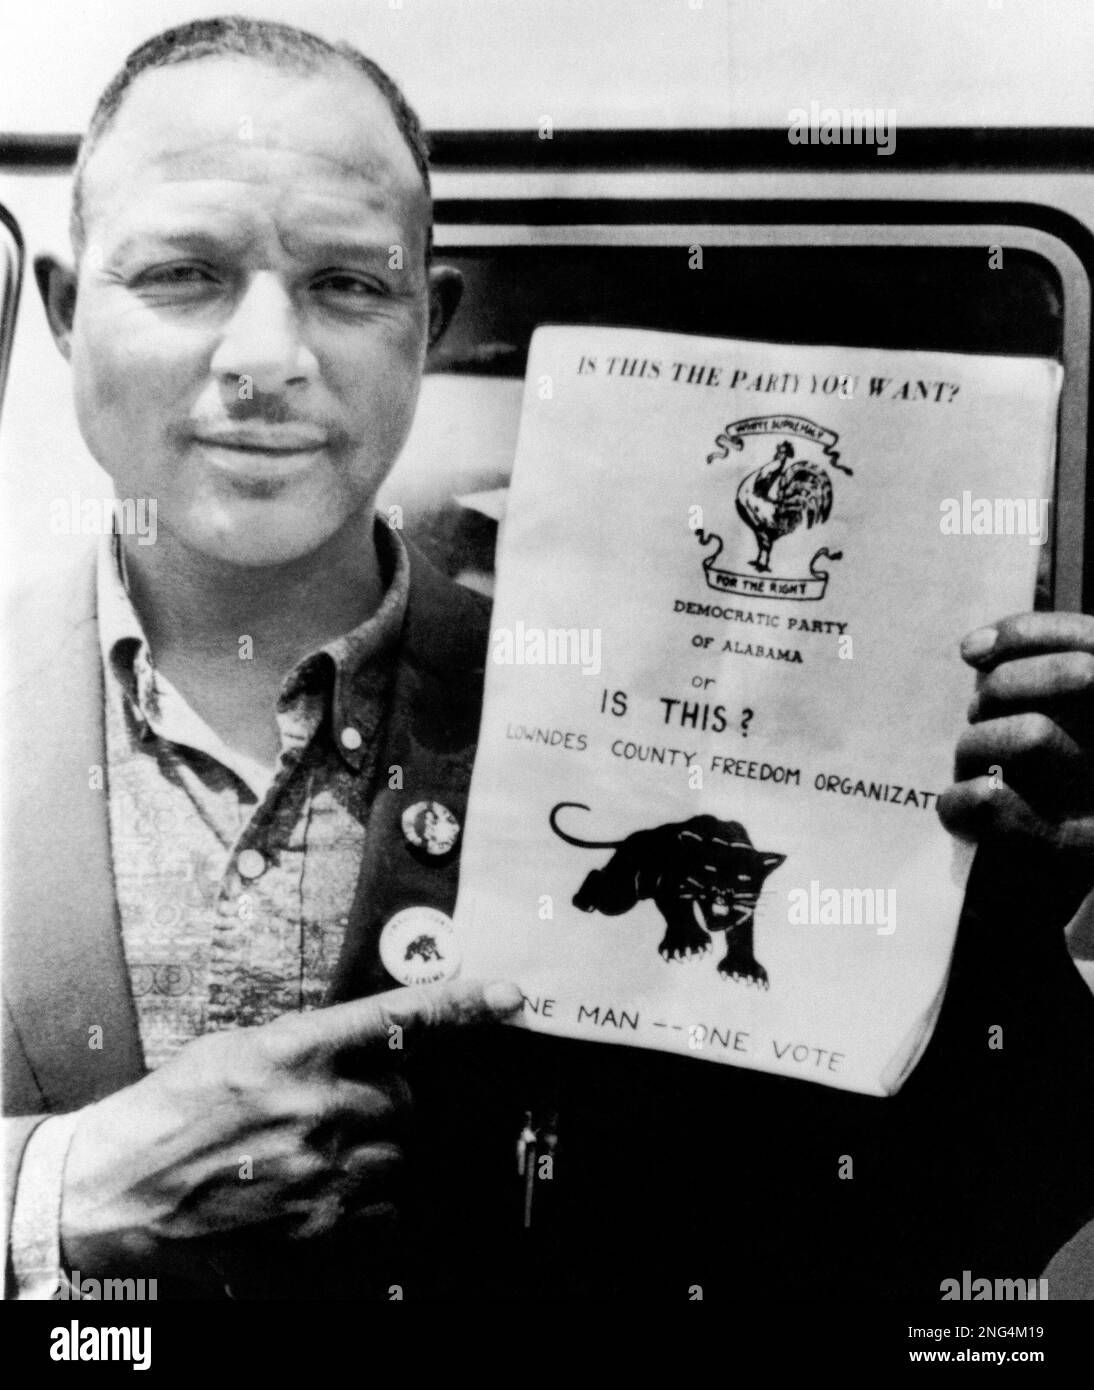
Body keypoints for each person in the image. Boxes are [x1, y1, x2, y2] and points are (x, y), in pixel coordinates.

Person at [3, 15, 1094, 1301]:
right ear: (70, 312)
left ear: (427, 317)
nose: (264, 360)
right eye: (182, 273)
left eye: (348, 283)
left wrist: (992, 908)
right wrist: (55, 1192)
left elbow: (967, 1213)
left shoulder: (649, 722)